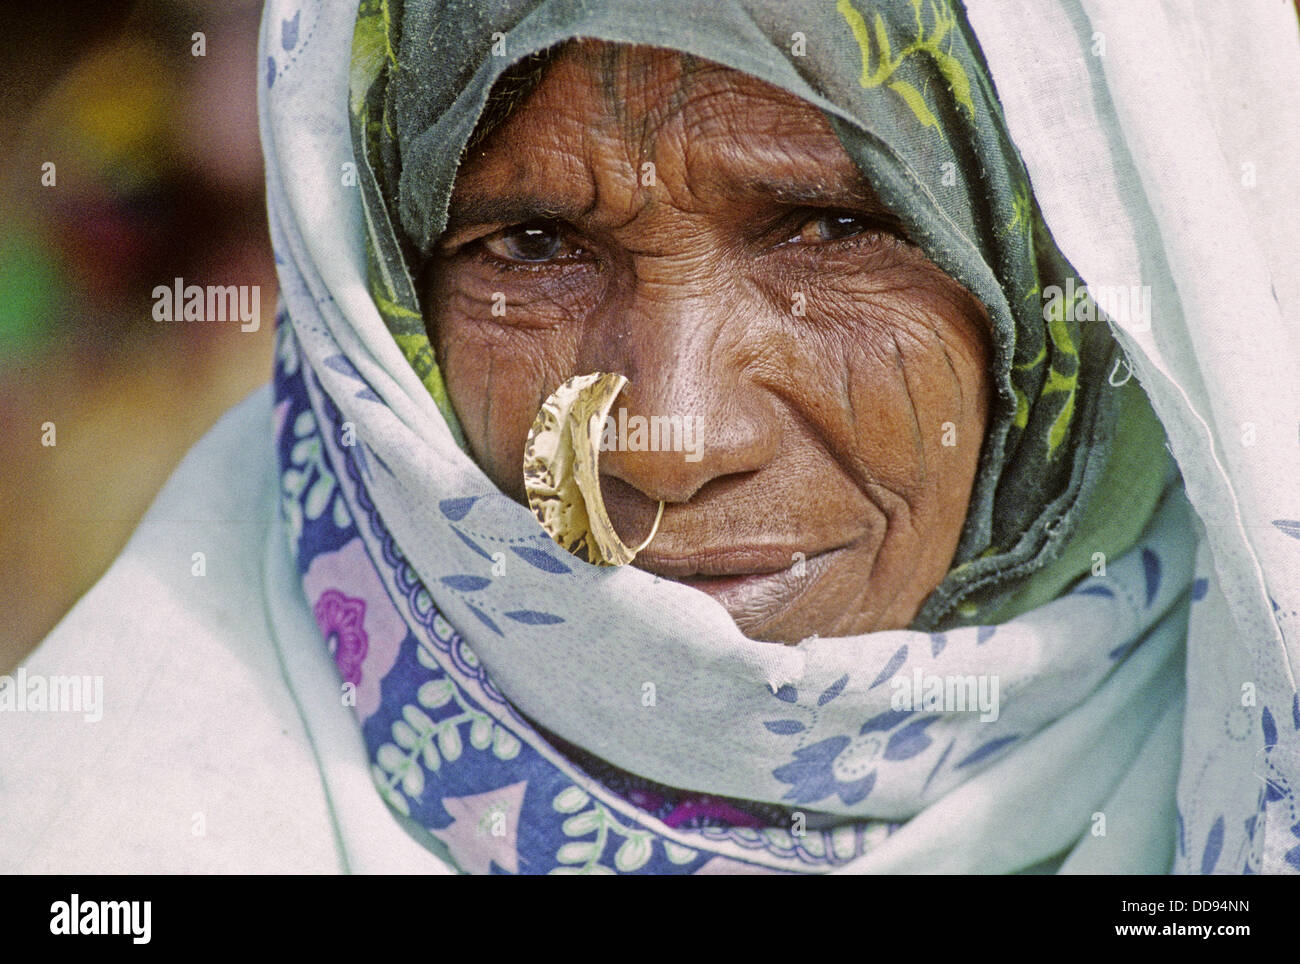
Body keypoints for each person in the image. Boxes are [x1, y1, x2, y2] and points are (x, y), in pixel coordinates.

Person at [2, 0, 1297, 875]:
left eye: (831, 227)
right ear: (379, 305)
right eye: (532, 244)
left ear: (1078, 269)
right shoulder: (102, 832)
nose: (671, 444)